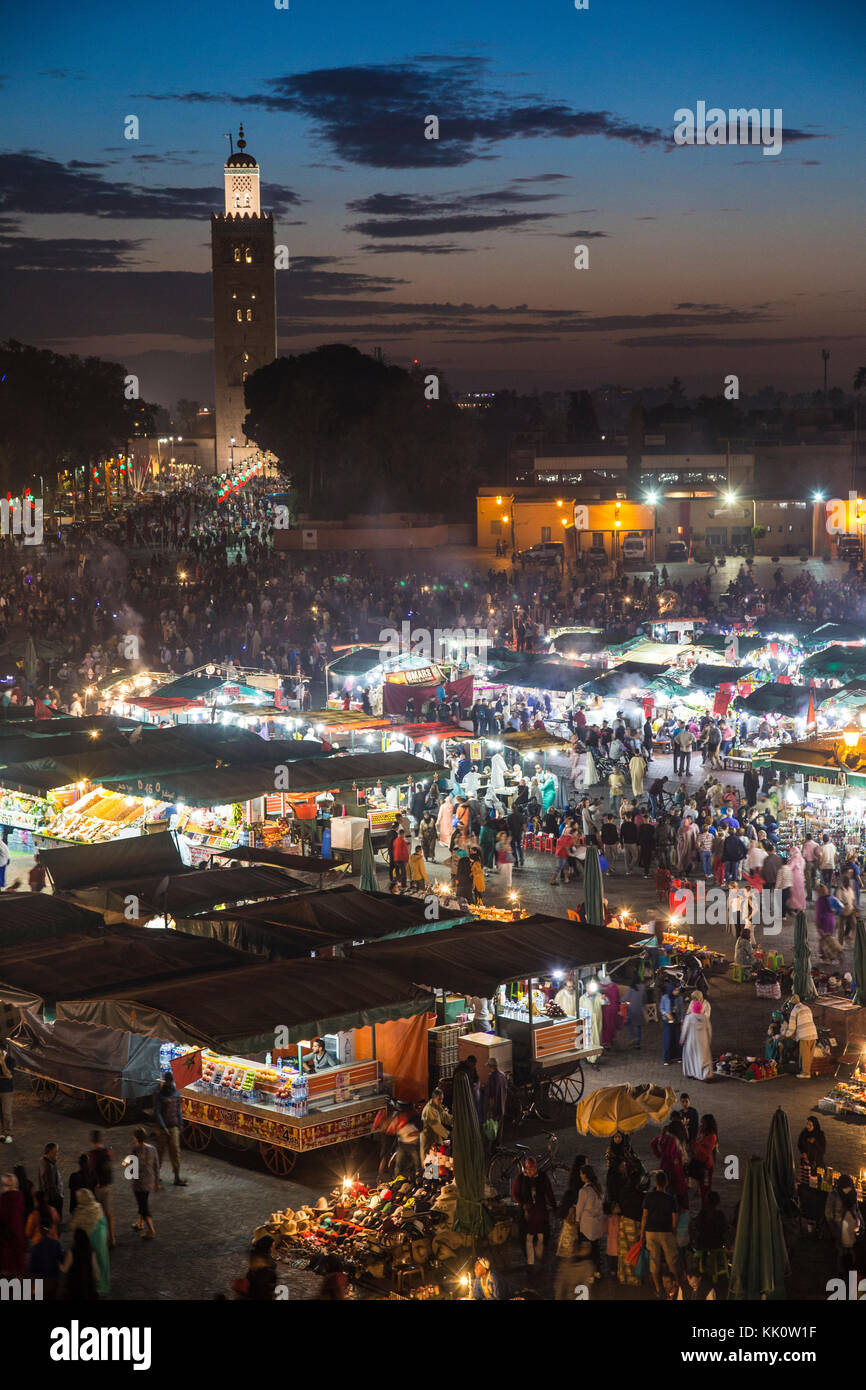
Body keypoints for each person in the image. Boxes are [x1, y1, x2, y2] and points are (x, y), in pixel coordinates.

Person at [640, 1170, 682, 1297]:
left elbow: (644, 1216)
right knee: (672, 1261)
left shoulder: (649, 1196)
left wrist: (642, 1233)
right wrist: (673, 1233)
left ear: (655, 1182)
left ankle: (658, 1288)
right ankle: (676, 1287)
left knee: (654, 1261)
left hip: (651, 1232)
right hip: (666, 1232)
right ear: (666, 1183)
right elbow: (675, 1219)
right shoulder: (670, 1199)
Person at [512, 1154, 555, 1275]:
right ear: (525, 1169)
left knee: (541, 1236)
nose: (531, 1172)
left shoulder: (542, 1177)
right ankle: (530, 1262)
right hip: (527, 1214)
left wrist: (554, 1206)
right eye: (529, 1169)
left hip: (540, 1212)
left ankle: (540, 1257)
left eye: (533, 1169)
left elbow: (549, 1192)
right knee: (528, 1238)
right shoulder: (520, 1179)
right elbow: (515, 1193)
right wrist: (523, 1204)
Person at [67, 1188, 110, 1295]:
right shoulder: (97, 1207)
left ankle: (97, 1286)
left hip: (90, 1241)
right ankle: (104, 1285)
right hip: (101, 1240)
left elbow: (72, 1225)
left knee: (92, 1265)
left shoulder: (82, 1211)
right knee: (102, 1263)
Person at [154, 1071, 187, 1186]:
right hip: (163, 1129)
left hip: (173, 1127)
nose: (169, 1083)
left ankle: (177, 1177)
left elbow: (178, 1110)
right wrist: (163, 1127)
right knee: (160, 1153)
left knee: (175, 1152)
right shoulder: (160, 1094)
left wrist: (180, 1123)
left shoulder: (176, 1093)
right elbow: (157, 1112)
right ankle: (156, 1176)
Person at [125, 1127, 159, 1239]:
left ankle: (151, 1230)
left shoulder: (135, 1149)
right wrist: (156, 1181)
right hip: (149, 1180)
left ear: (135, 1138)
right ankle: (140, 1223)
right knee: (143, 1201)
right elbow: (156, 1166)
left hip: (139, 1182)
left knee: (143, 1206)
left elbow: (128, 1163)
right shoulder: (152, 1149)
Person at [574, 1164, 605, 1276]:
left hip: (587, 1224)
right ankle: (598, 1270)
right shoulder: (599, 1188)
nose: (580, 1175)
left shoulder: (584, 1191)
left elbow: (579, 1208)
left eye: (581, 1173)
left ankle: (590, 1272)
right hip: (597, 1223)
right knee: (596, 1247)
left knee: (587, 1248)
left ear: (585, 1175)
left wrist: (577, 1221)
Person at [88, 1131, 115, 1249]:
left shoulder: (92, 1154)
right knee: (108, 1214)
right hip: (107, 1187)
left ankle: (98, 1239)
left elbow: (91, 1171)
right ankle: (112, 1238)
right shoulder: (107, 1152)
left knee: (96, 1215)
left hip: (97, 1188)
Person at [680, 994, 713, 1082]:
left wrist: (682, 1040)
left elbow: (685, 1030)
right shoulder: (704, 1018)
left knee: (691, 1058)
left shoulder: (689, 1018)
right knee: (703, 1058)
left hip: (691, 1041)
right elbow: (709, 1030)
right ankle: (704, 1075)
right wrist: (709, 1040)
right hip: (703, 1041)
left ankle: (691, 1073)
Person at [234, 1235, 278, 1300]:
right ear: (267, 1248)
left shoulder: (255, 1260)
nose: (273, 1249)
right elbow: (263, 1287)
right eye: (272, 1246)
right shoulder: (266, 1267)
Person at [61, 1227, 98, 1300]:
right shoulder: (91, 1252)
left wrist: (57, 1263)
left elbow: (65, 1269)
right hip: (88, 1284)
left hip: (75, 1284)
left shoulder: (72, 1252)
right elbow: (95, 1270)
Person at [785, 994, 818, 1078]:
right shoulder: (807, 1008)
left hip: (804, 1035)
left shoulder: (794, 1011)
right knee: (809, 1055)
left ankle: (805, 1073)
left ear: (792, 1004)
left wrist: (786, 1034)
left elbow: (792, 1027)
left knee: (805, 1055)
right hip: (813, 1033)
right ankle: (807, 1071)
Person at [0, 1172, 26, 1277]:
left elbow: (2, 1215)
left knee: (6, 1256)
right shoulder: (20, 1196)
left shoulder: (3, 1198)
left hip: (5, 1231)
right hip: (18, 1229)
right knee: (18, 1255)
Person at [420, 1088, 451, 1164]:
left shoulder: (437, 1106)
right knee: (429, 1163)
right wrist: (449, 1134)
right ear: (433, 1098)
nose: (441, 1101)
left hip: (436, 1137)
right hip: (428, 1138)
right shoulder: (429, 1109)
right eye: (439, 1099)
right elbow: (436, 1126)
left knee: (436, 1163)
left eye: (442, 1099)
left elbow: (445, 1117)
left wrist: (456, 1120)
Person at [692, 1114, 718, 1196]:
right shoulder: (703, 1134)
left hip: (706, 1166)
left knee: (706, 1189)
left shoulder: (712, 1137)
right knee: (702, 1187)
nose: (701, 1125)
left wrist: (696, 1144)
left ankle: (707, 1207)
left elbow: (706, 1152)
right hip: (700, 1164)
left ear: (708, 1124)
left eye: (703, 1123)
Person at [660, 981, 684, 1065]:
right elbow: (661, 1008)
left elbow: (681, 1010)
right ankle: (667, 1059)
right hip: (668, 1022)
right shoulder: (664, 998)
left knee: (678, 1039)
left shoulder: (679, 998)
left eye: (677, 990)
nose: (677, 992)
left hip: (676, 1021)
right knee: (668, 1040)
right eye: (675, 990)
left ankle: (679, 1056)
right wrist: (666, 1013)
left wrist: (682, 1021)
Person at [39, 1142, 63, 1220]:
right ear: (50, 1152)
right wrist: (58, 1197)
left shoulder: (45, 1162)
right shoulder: (48, 1167)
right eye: (55, 1152)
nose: (57, 1154)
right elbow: (50, 1185)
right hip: (53, 1199)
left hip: (51, 1197)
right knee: (56, 1219)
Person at [0, 1042, 13, 1143]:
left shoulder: (10, 1060)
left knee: (7, 1113)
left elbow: (8, 1075)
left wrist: (2, 1062)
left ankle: (8, 1134)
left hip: (6, 1090)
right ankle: (2, 1133)